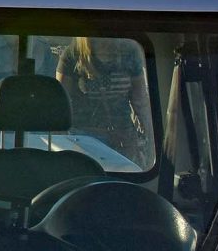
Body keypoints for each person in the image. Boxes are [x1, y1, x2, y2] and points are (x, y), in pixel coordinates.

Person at [55, 35, 153, 165]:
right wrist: (60, 144)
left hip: (123, 137)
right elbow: (59, 103)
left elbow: (140, 100)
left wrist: (151, 141)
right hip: (83, 138)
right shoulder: (73, 54)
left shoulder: (129, 51)